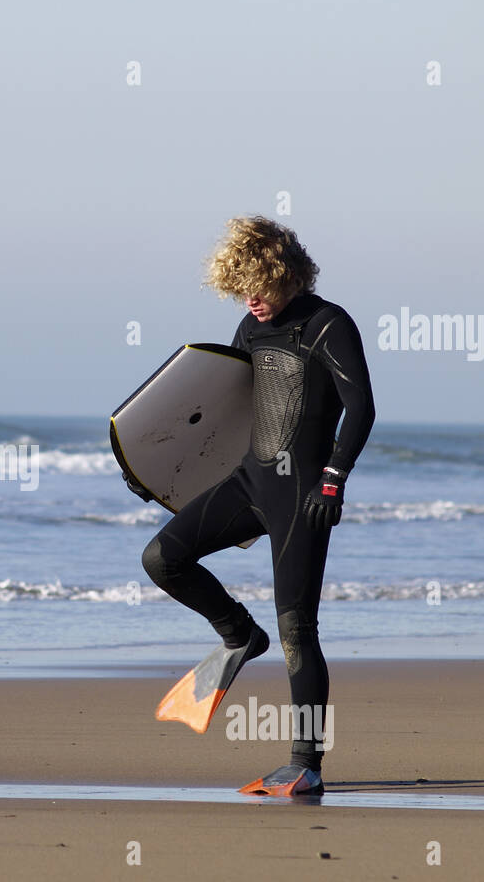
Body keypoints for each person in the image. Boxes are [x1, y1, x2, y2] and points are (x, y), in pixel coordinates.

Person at [137, 216, 375, 795]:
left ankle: (307, 762)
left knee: (298, 629)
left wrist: (332, 480)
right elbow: (222, 419)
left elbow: (361, 408)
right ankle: (238, 634)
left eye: (258, 284)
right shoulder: (249, 328)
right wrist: (159, 475)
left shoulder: (327, 325)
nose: (250, 298)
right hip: (249, 484)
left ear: (285, 273)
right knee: (162, 558)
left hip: (302, 501)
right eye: (240, 285)